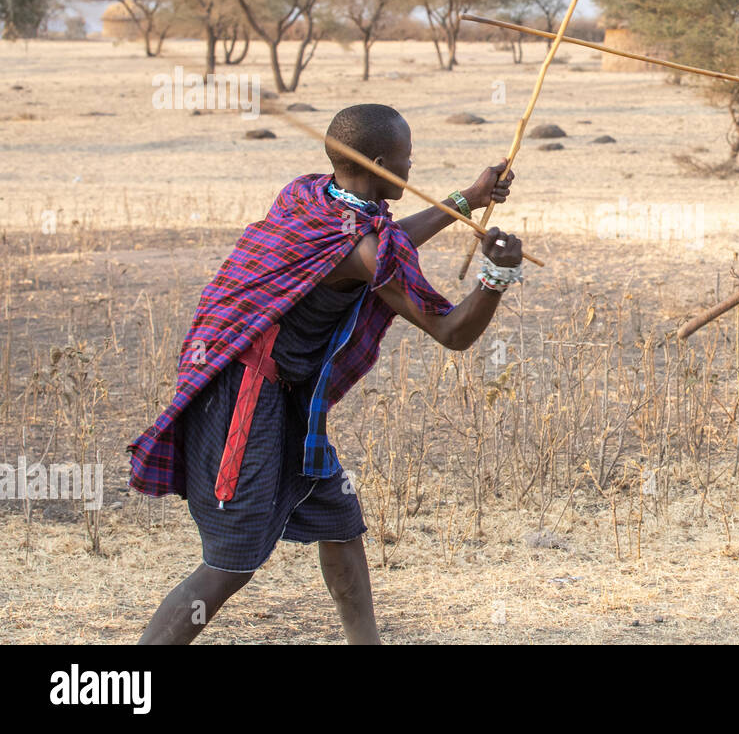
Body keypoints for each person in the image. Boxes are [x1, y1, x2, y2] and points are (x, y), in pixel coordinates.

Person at [130, 103, 522, 644]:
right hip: (244, 401)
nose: (412, 169)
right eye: (406, 161)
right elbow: (452, 332)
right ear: (382, 165)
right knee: (230, 561)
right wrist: (497, 274)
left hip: (284, 398)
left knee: (338, 521)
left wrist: (466, 201)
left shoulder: (309, 195)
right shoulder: (359, 245)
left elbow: (383, 243)